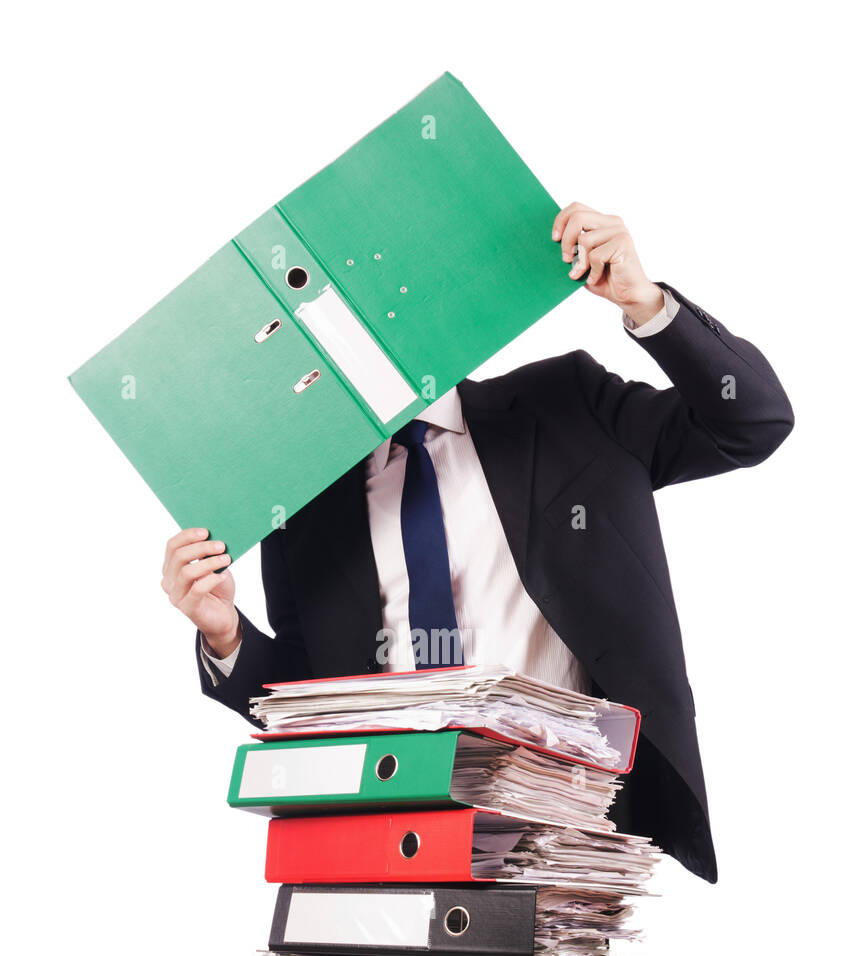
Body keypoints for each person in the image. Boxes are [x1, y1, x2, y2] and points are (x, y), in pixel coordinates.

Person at [161, 203, 793, 883]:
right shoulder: (308, 506)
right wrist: (224, 634)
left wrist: (645, 302)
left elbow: (749, 422)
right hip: (390, 832)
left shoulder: (567, 406)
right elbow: (309, 702)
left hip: (562, 812)